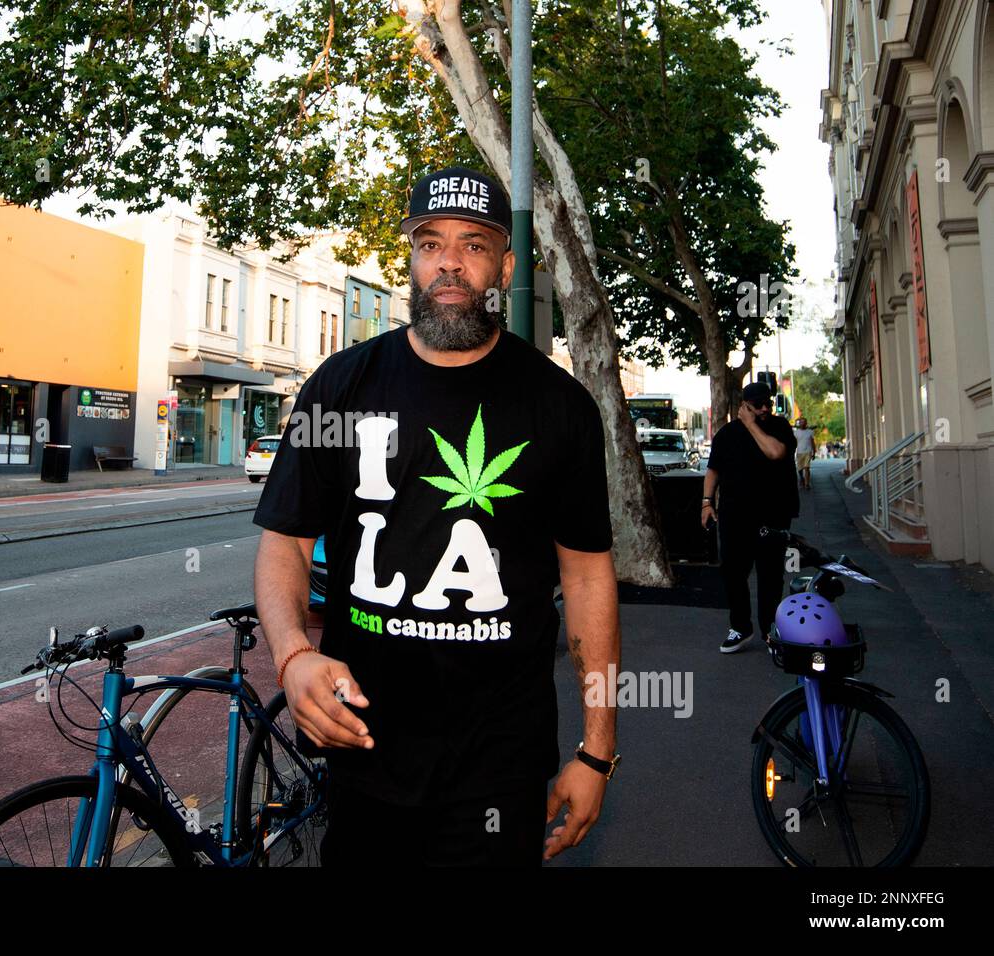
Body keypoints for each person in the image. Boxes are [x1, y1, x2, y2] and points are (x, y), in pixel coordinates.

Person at [251, 165, 622, 867]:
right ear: (412, 258)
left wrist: (597, 749)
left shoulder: (560, 406)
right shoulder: (339, 386)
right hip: (361, 747)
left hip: (499, 764)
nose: (450, 260)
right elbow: (288, 544)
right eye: (431, 242)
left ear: (506, 266)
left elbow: (588, 579)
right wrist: (293, 656)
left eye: (474, 244)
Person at [701, 382, 799, 653]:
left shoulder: (780, 428)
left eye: (767, 403)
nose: (764, 408)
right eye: (757, 405)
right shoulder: (727, 434)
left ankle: (770, 630)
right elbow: (713, 470)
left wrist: (751, 424)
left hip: (773, 516)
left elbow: (775, 452)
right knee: (733, 572)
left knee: (771, 574)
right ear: (745, 405)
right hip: (734, 516)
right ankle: (740, 627)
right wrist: (707, 503)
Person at [793, 416, 816, 490]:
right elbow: (794, 443)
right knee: (799, 469)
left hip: (808, 452)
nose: (802, 423)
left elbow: (812, 442)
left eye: (803, 422)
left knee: (807, 468)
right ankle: (801, 478)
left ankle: (807, 484)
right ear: (799, 423)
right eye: (801, 422)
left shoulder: (810, 432)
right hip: (799, 452)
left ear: (806, 423)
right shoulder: (796, 432)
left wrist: (814, 452)